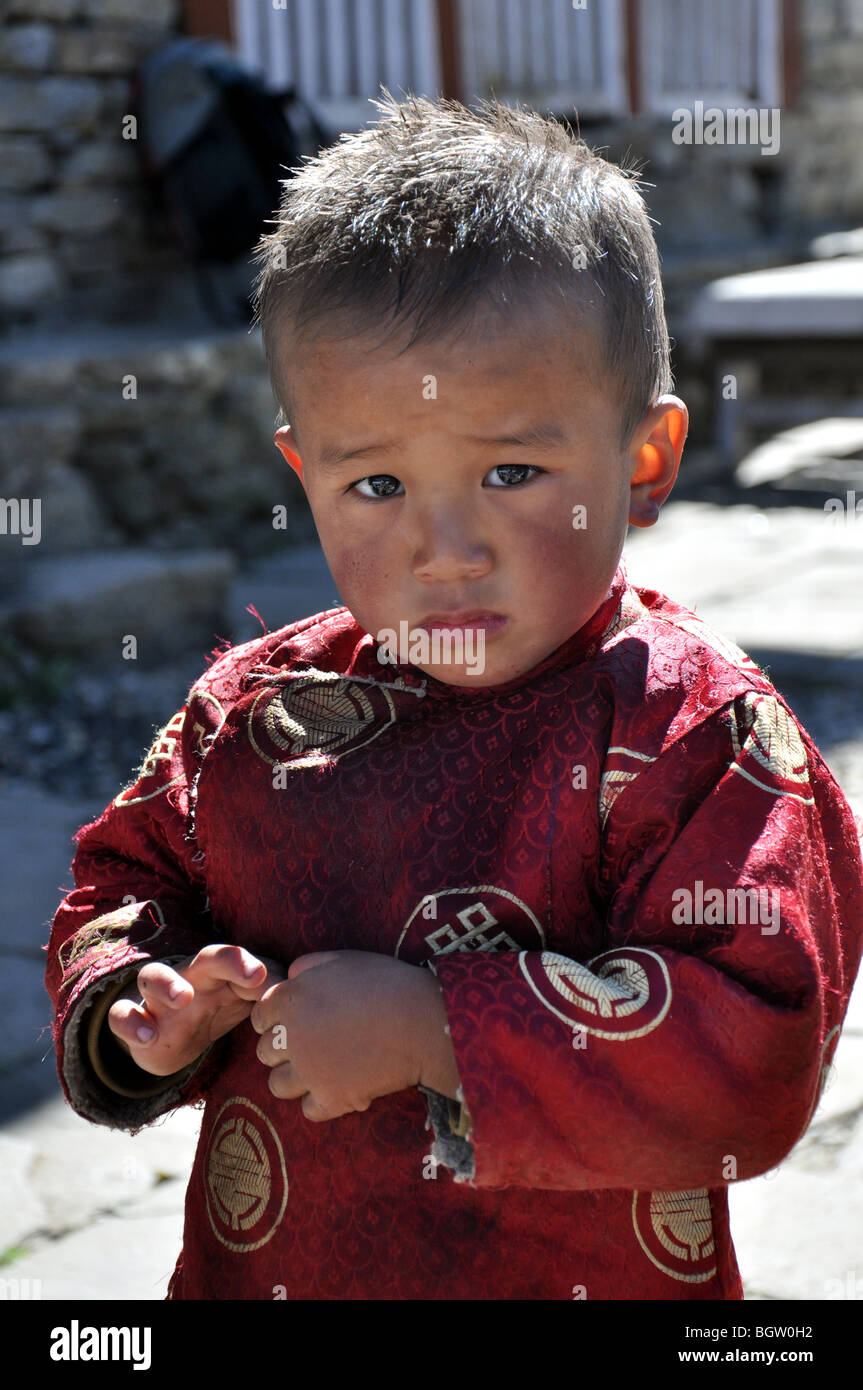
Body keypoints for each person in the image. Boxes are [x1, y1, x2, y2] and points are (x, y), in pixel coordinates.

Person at [45, 92, 863, 1300]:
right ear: (302, 472)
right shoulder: (252, 714)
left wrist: (441, 1027)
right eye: (373, 484)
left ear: (641, 461)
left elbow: (756, 1044)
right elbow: (123, 882)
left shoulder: (690, 729)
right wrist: (142, 1000)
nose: (444, 548)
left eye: (512, 471)